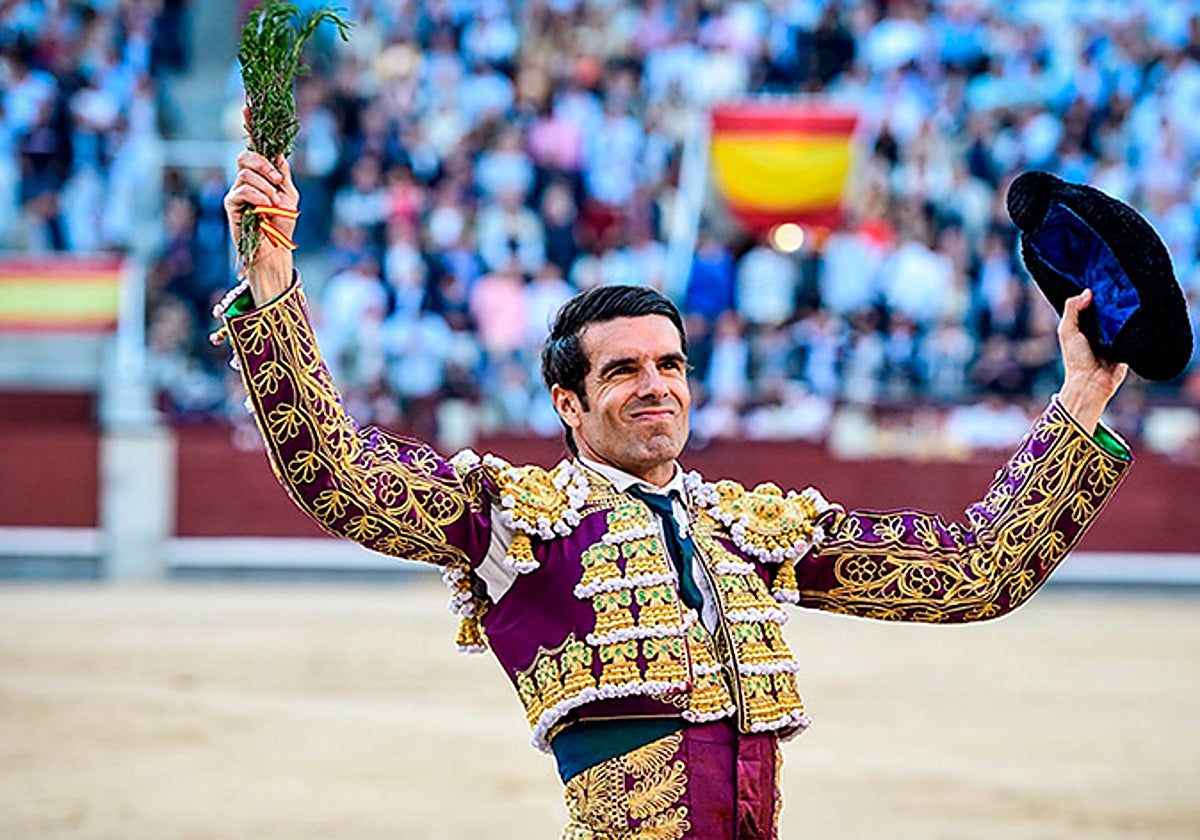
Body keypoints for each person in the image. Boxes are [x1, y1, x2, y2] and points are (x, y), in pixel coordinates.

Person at [220, 151, 1130, 839]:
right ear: (568, 403)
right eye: (624, 371)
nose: (657, 385)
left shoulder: (750, 529)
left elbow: (972, 574)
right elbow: (336, 475)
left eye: (671, 365)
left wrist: (1082, 394)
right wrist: (270, 283)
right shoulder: (520, 521)